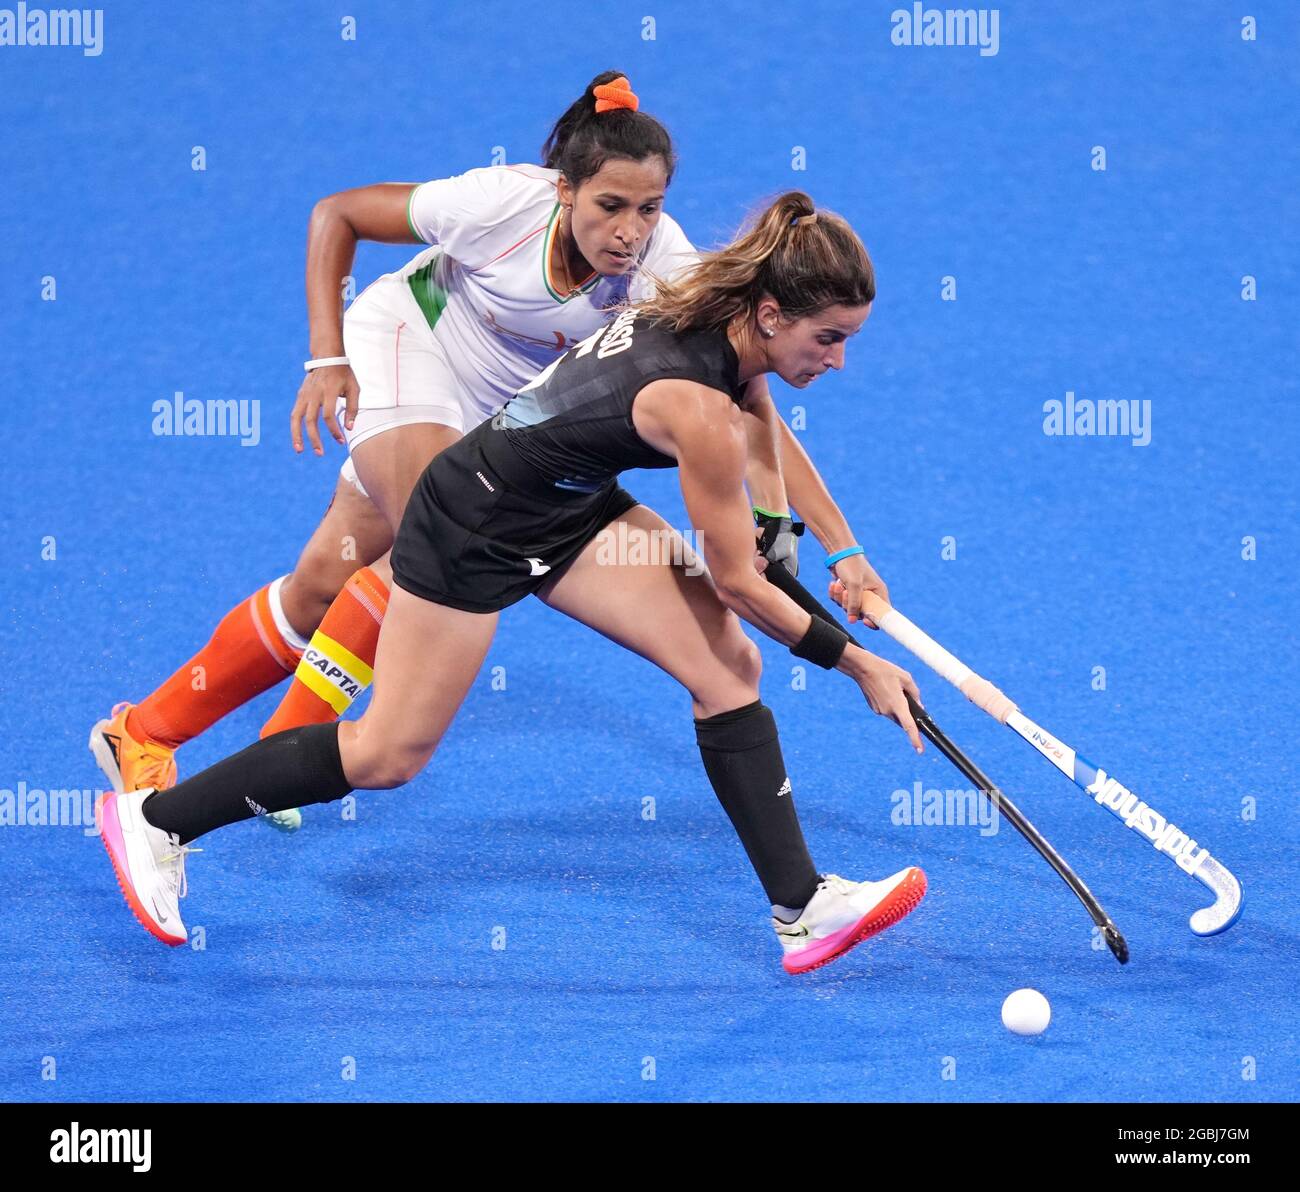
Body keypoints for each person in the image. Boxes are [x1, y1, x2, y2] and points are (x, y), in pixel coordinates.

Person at [96, 190, 927, 976]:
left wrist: (823, 541)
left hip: (570, 509)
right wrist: (858, 665)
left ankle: (802, 905)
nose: (840, 359)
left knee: (727, 669)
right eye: (829, 338)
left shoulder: (719, 315)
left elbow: (759, 415)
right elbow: (739, 582)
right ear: (773, 315)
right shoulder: (695, 410)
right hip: (472, 526)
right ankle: (156, 824)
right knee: (386, 755)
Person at [91, 71, 842, 829]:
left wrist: (830, 546)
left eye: (648, 209)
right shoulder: (498, 204)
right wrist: (325, 359)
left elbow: (747, 404)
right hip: (411, 346)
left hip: (516, 411)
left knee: (327, 579)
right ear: (563, 192)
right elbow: (339, 214)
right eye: (610, 206)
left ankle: (143, 731)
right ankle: (287, 746)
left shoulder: (662, 266)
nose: (630, 231)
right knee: (442, 530)